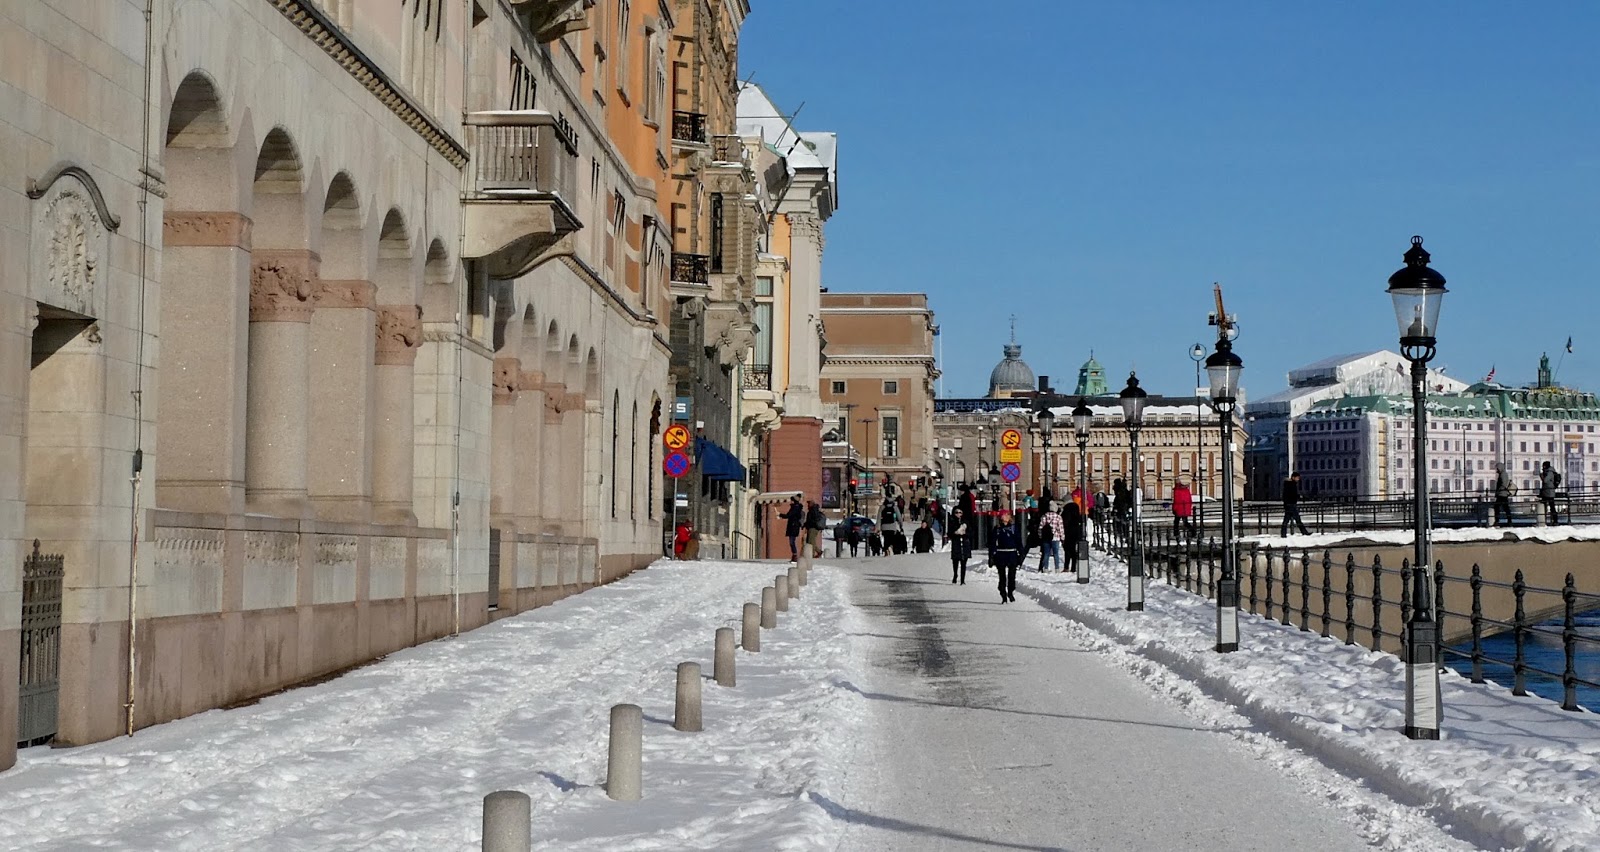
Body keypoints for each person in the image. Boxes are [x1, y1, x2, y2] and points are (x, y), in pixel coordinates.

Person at [989, 510, 1022, 603]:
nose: (1005, 517)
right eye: (1003, 515)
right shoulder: (997, 529)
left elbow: (1019, 542)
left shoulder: (1014, 528)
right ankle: (1003, 593)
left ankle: (1010, 592)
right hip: (1001, 554)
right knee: (1002, 576)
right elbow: (992, 543)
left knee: (1012, 576)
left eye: (1007, 515)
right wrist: (991, 556)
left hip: (1012, 553)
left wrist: (1021, 554)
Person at [1036, 503, 1063, 572]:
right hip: (1055, 537)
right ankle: (1057, 568)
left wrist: (1040, 536)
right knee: (1056, 553)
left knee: (1046, 553)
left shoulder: (1044, 516)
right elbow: (1060, 528)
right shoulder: (1058, 517)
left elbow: (1040, 528)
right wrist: (1062, 537)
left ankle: (1046, 568)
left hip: (1046, 537)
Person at [1281, 472, 1310, 536]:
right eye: (1297, 478)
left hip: (1289, 504)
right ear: (1293, 477)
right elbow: (1291, 495)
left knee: (1287, 520)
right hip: (1291, 504)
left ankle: (1283, 533)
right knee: (1297, 519)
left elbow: (1289, 495)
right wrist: (1298, 497)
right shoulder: (1291, 485)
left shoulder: (1289, 484)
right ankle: (1304, 532)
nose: (1298, 479)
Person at [949, 508, 970, 583]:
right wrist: (955, 533)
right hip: (956, 543)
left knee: (964, 562)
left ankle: (962, 580)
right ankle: (955, 574)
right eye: (956, 512)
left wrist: (965, 533)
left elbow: (971, 532)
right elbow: (949, 533)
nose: (958, 514)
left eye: (960, 512)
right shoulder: (952, 522)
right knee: (955, 561)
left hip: (964, 544)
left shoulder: (966, 522)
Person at [1062, 502, 1083, 574]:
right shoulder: (1077, 515)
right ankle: (1073, 567)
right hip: (1076, 533)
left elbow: (1064, 522)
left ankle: (1066, 567)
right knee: (1073, 550)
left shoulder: (1066, 513)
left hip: (1068, 533)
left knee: (1067, 550)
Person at [781, 495, 804, 561]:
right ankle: (794, 555)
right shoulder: (797, 507)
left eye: (792, 500)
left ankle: (795, 555)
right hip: (794, 526)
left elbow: (789, 515)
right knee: (792, 541)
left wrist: (780, 515)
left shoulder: (795, 507)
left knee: (792, 541)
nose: (791, 501)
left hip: (793, 526)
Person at [1493, 462, 1516, 527]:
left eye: (1497, 468)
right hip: (1503, 493)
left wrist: (1500, 490)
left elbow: (1504, 484)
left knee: (1497, 507)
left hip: (1502, 493)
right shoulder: (1503, 474)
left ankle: (1497, 521)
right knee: (1505, 508)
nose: (1496, 469)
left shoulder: (1503, 474)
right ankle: (1509, 521)